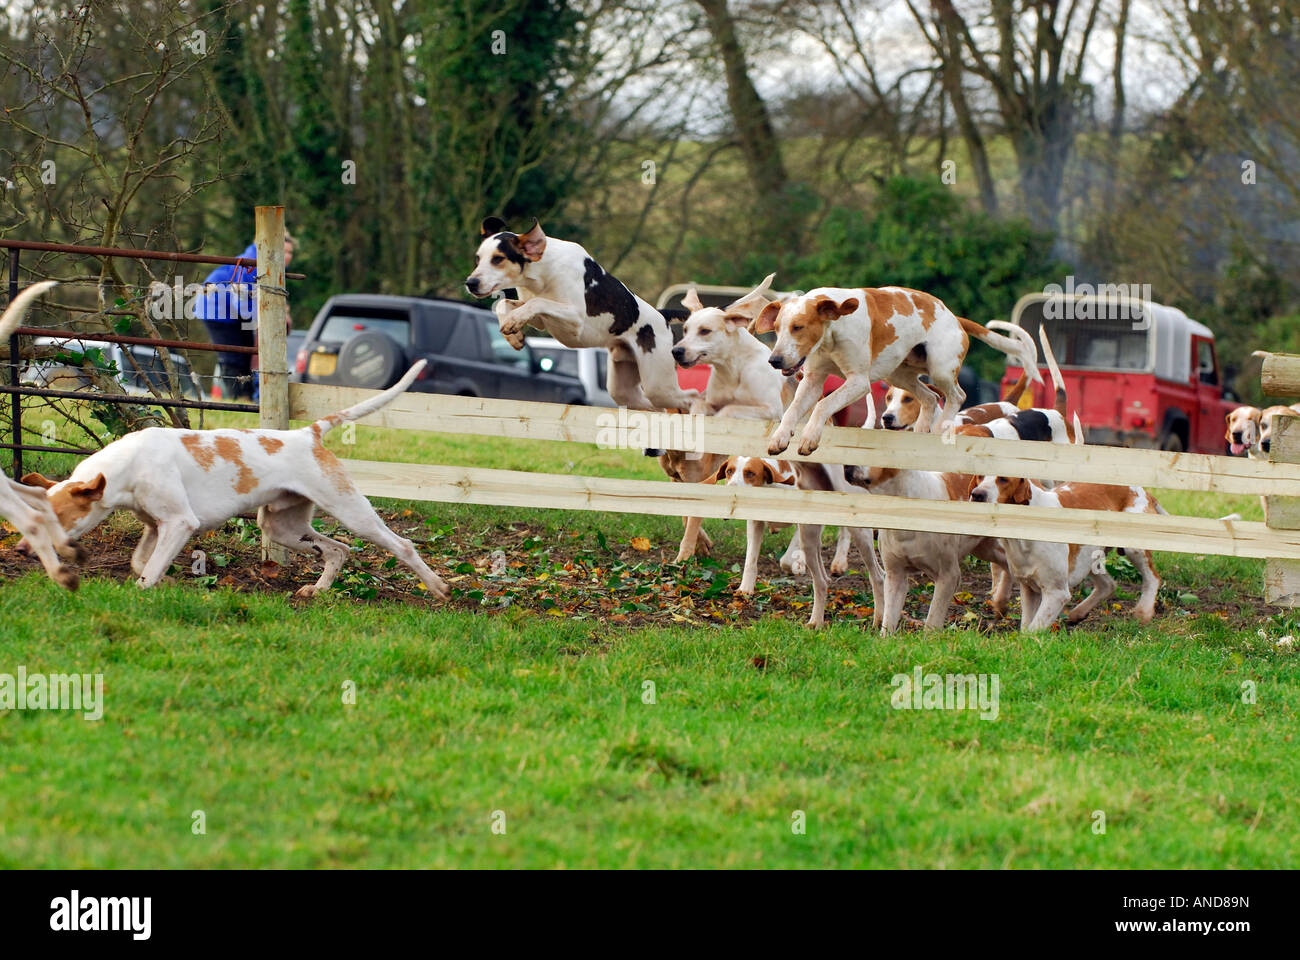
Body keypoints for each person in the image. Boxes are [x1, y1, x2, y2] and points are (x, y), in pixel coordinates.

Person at [196, 233, 296, 400]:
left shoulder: (268, 264)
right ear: (269, 249)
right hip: (217, 310)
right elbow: (241, 302)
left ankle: (247, 397)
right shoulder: (251, 263)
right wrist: (267, 319)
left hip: (233, 311)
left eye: (290, 252)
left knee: (247, 352)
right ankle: (239, 399)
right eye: (283, 251)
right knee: (233, 355)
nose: (287, 256)